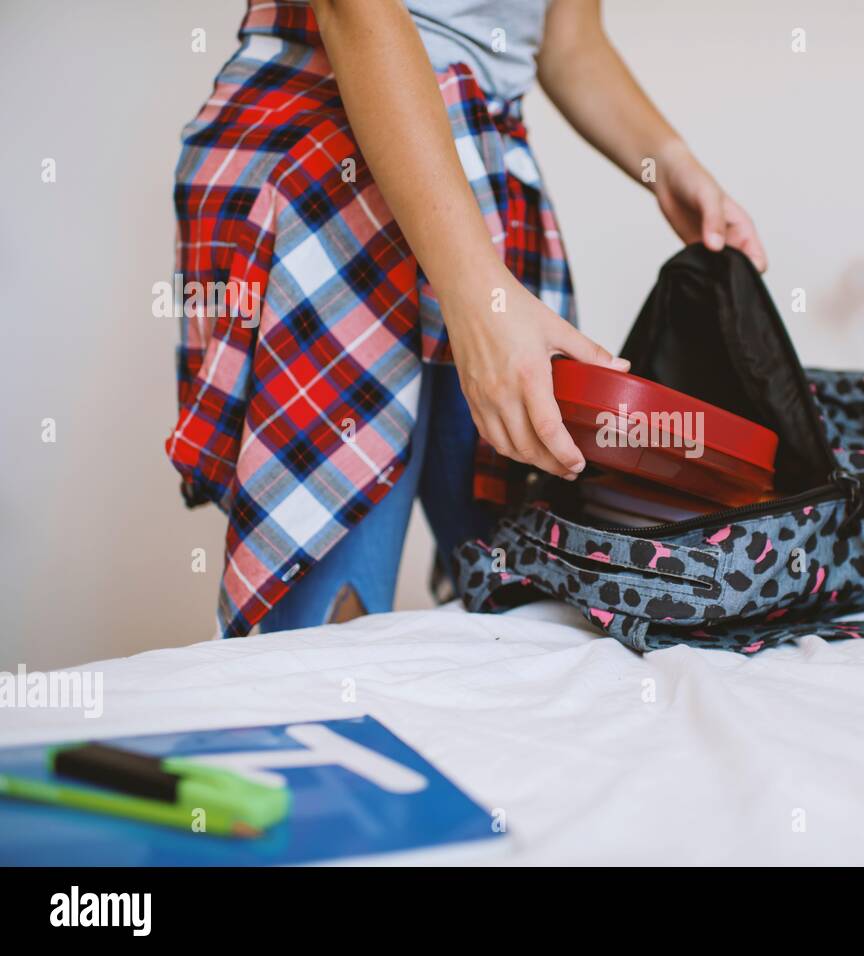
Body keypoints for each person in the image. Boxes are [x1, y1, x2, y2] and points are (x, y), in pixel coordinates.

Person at [167, 0, 766, 636]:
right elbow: (355, 10)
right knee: (331, 621)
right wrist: (480, 299)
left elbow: (567, 41)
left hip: (483, 174)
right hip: (336, 151)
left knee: (516, 575)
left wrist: (668, 163)